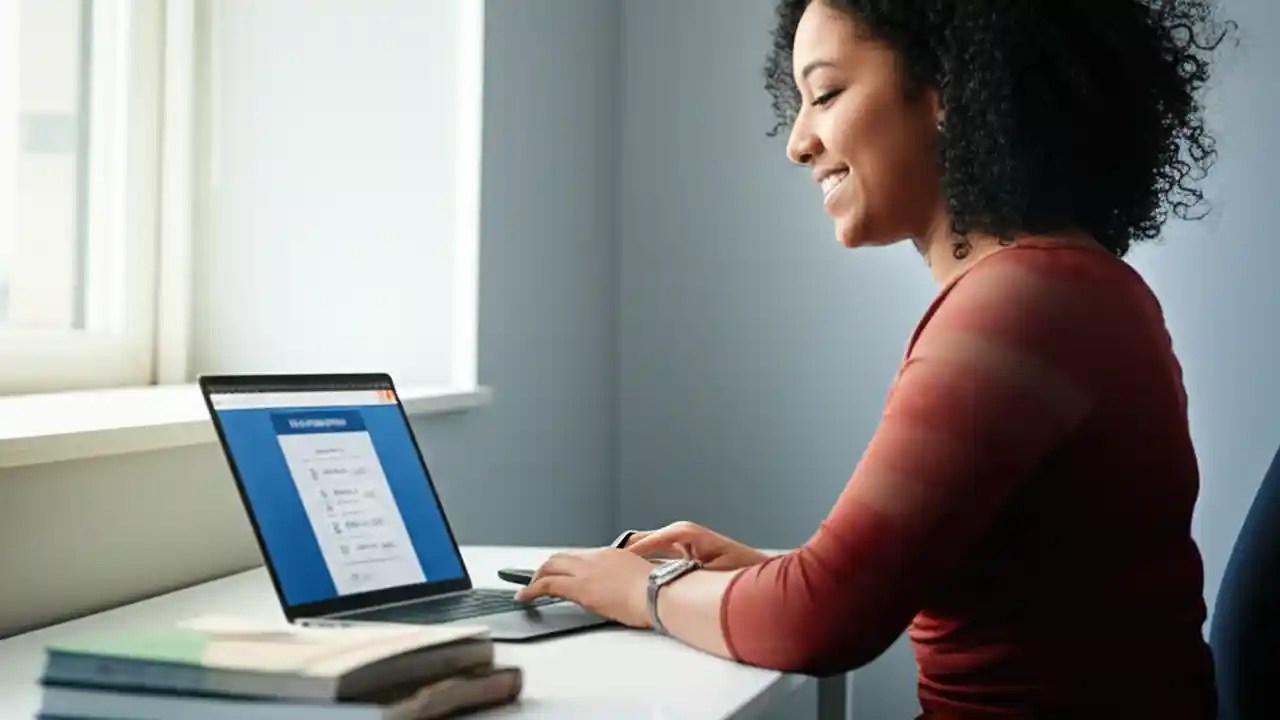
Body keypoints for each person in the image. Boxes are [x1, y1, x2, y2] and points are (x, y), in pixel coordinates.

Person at [515, 0, 1233, 716]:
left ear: (947, 88)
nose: (798, 142)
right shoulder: (1060, 288)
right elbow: (965, 591)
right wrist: (770, 575)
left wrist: (642, 590)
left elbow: (821, 620)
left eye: (825, 94)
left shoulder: (1022, 306)